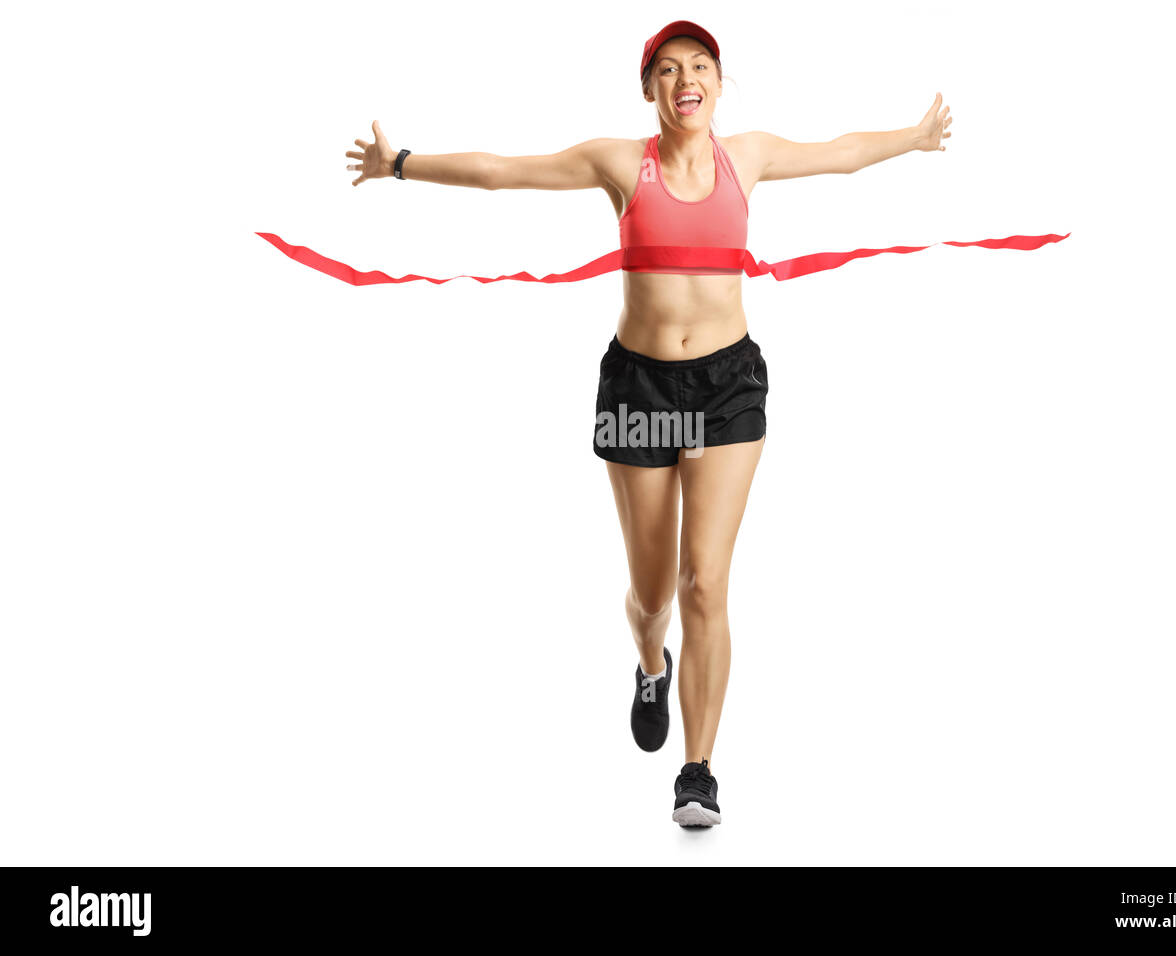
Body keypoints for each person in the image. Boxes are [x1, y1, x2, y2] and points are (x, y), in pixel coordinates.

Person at [344, 21, 952, 827]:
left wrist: (913, 138)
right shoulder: (620, 164)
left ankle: (696, 771)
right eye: (667, 69)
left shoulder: (752, 157)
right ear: (649, 90)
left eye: (699, 65)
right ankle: (647, 662)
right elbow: (504, 174)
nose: (684, 79)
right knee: (655, 592)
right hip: (639, 391)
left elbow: (840, 151)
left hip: (729, 388)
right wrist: (402, 165)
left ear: (719, 84)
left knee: (706, 582)